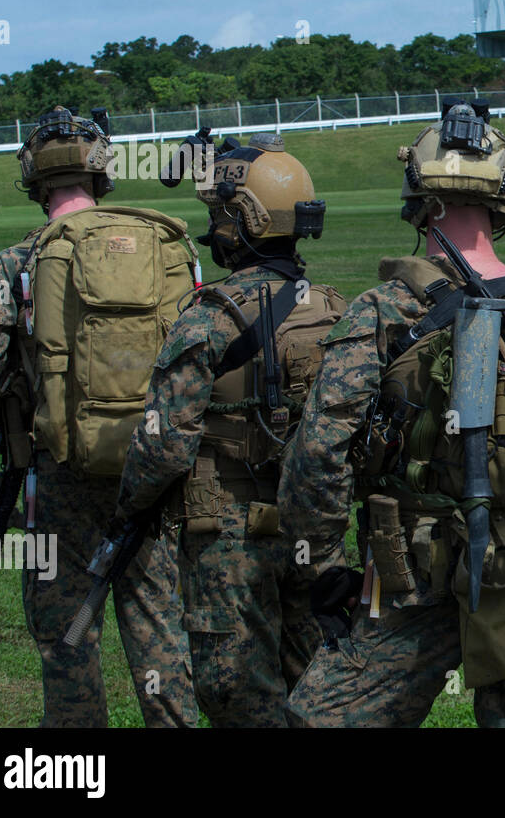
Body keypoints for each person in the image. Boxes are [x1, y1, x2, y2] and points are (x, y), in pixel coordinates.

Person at [280, 99, 505, 727]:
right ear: (503, 197)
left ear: (417, 196)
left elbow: (319, 452)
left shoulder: (381, 311)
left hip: (406, 568)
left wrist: (324, 569)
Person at [0, 106, 199, 727]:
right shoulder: (169, 250)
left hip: (57, 477)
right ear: (102, 174)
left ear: (36, 181)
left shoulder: (15, 265)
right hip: (151, 476)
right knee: (160, 637)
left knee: (67, 644)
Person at [112, 132, 345, 727]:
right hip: (315, 527)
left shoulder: (210, 316)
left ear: (243, 221)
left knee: (235, 686)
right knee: (313, 676)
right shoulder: (335, 310)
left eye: (219, 216)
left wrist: (127, 507)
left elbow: (164, 445)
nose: (214, 229)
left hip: (225, 532)